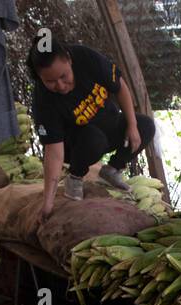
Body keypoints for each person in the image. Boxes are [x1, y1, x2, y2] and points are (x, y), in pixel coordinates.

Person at [26, 37, 156, 221]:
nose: (60, 86)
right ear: (40, 78)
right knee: (94, 138)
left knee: (145, 126)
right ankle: (75, 177)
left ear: (69, 59)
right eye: (50, 81)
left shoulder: (86, 58)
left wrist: (132, 126)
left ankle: (112, 170)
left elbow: (119, 86)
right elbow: (54, 151)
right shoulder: (43, 100)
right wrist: (48, 202)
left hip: (108, 125)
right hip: (78, 145)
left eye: (64, 76)